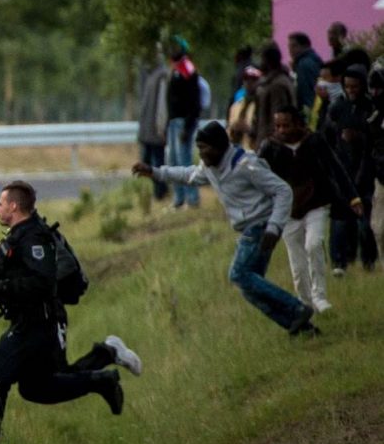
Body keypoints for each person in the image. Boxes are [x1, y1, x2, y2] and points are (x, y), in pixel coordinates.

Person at [0, 180, 134, 444]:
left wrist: (3, 286)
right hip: (33, 322)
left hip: (36, 325)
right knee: (37, 388)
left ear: (13, 206)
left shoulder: (34, 238)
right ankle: (100, 379)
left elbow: (43, 282)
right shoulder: (21, 234)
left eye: (0, 204)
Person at [133, 122, 318, 335]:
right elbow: (189, 175)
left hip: (260, 226)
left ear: (220, 146)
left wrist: (274, 227)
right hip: (250, 228)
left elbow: (283, 190)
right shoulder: (211, 167)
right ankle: (301, 327)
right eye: (199, 148)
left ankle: (298, 308)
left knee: (238, 274)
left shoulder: (246, 165)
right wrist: (155, 172)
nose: (202, 154)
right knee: (250, 289)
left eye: (205, 148)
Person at [260, 106, 359, 313]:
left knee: (314, 244)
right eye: (277, 126)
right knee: (296, 260)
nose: (282, 130)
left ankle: (319, 296)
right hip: (287, 211)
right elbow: (258, 178)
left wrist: (352, 197)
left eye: (286, 125)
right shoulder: (270, 147)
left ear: (298, 123)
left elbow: (335, 167)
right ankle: (305, 303)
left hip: (316, 203)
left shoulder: (314, 142)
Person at [324, 65, 378, 274]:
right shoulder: (338, 107)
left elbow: (374, 141)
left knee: (365, 221)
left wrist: (359, 137)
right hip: (341, 169)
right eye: (347, 86)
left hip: (364, 170)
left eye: (355, 86)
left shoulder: (370, 108)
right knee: (339, 220)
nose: (351, 90)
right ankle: (339, 262)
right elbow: (327, 135)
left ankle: (368, 260)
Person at [165, 36, 202, 209]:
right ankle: (179, 198)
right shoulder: (175, 70)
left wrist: (188, 125)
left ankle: (192, 198)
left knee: (184, 161)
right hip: (173, 121)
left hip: (183, 121)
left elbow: (194, 100)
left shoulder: (188, 70)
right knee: (173, 160)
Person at [137, 56, 170, 201]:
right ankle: (160, 191)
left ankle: (161, 192)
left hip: (155, 131)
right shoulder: (151, 76)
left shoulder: (161, 76)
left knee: (157, 163)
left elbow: (162, 107)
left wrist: (161, 128)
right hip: (148, 131)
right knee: (148, 162)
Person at [254, 43, 297, 149]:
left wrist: (270, 144)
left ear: (267, 61)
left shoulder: (277, 85)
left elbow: (278, 118)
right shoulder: (274, 82)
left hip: (273, 146)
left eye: (262, 59)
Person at [287, 33, 324, 114]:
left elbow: (307, 90)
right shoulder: (312, 60)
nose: (290, 50)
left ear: (305, 46)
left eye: (294, 46)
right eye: (289, 46)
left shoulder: (304, 64)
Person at [227, 66, 261, 150]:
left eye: (253, 79)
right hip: (239, 151)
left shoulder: (262, 104)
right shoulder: (236, 106)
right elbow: (229, 132)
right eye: (246, 79)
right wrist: (235, 129)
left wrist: (249, 130)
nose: (249, 82)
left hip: (255, 150)